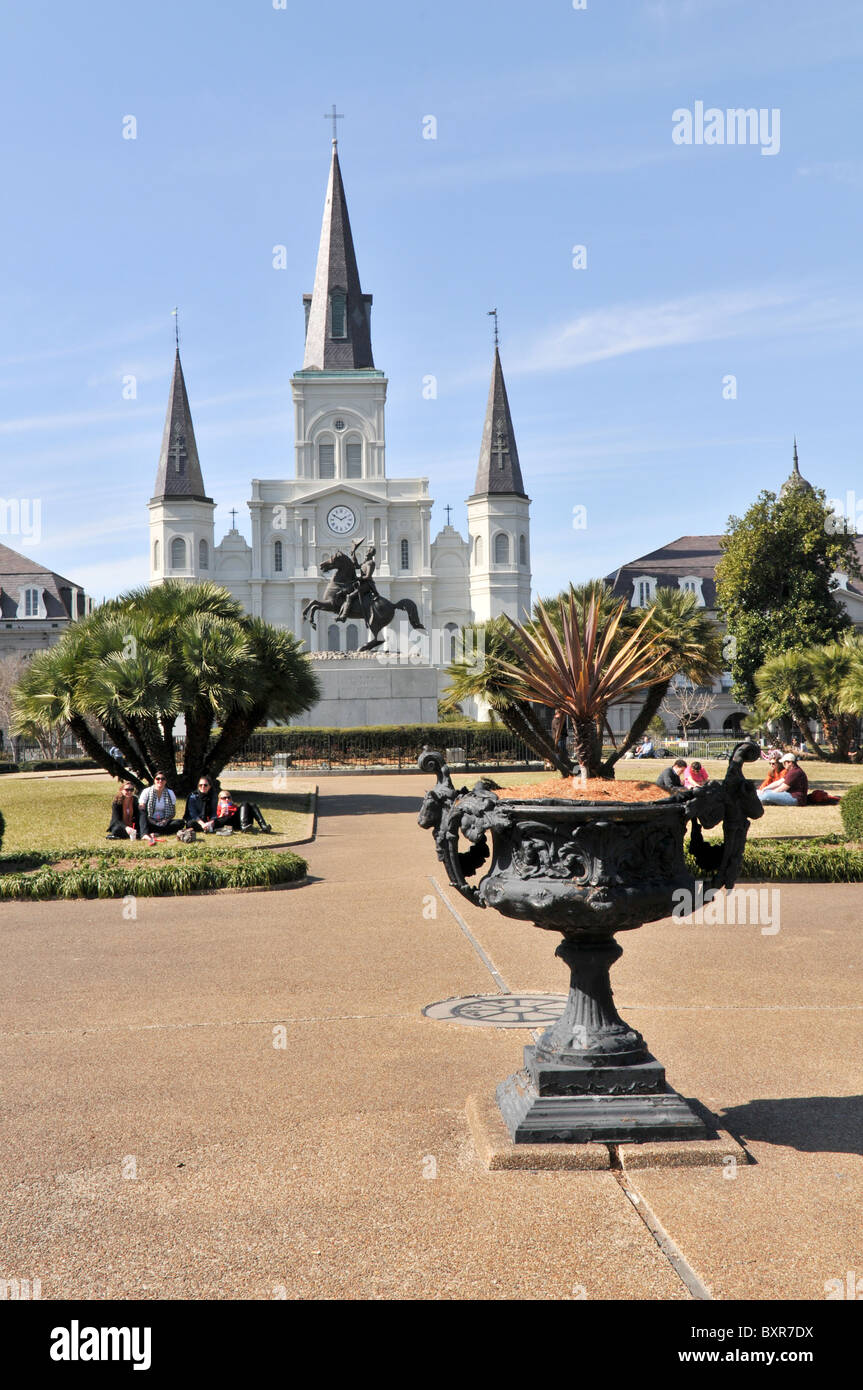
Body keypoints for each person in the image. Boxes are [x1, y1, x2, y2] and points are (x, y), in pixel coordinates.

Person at [138, 772, 183, 841]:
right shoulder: (146, 791)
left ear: (165, 781)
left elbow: (173, 812)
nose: (160, 781)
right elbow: (142, 809)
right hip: (150, 821)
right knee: (142, 820)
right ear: (154, 780)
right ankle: (148, 833)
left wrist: (166, 820)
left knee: (180, 823)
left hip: (164, 821)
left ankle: (157, 833)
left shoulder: (170, 793)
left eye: (163, 779)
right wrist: (150, 820)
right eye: (158, 779)